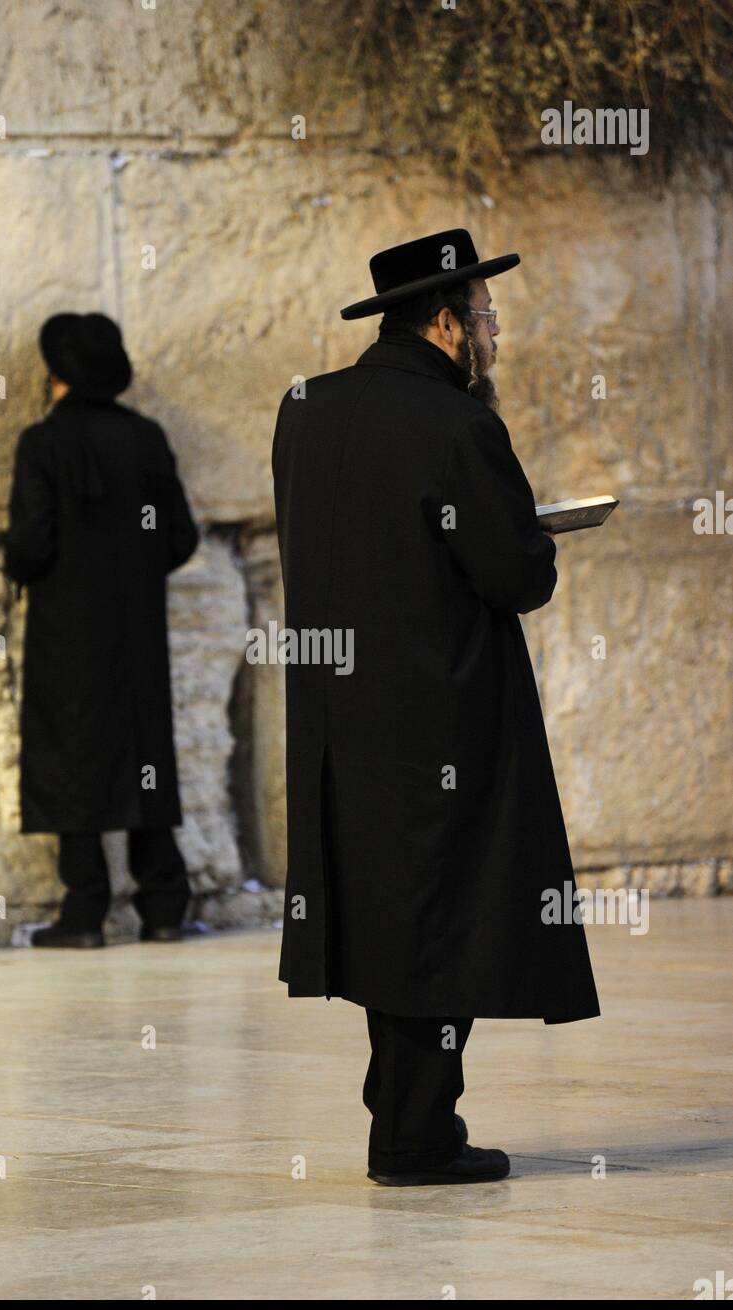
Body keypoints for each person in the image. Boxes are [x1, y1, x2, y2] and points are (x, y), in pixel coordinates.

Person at [271, 229, 600, 1185]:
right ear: (449, 322)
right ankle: (415, 1137)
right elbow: (511, 574)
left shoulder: (304, 408)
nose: (495, 336)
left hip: (338, 716)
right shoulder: (460, 426)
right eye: (487, 318)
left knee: (385, 911)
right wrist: (536, 539)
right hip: (441, 713)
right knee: (443, 913)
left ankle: (408, 1123)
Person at [4, 312, 198, 948]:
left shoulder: (42, 443)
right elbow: (180, 535)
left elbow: (31, 545)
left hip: (68, 628)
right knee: (144, 747)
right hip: (136, 625)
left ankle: (84, 913)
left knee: (72, 752)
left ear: (55, 373)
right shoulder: (145, 438)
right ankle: (164, 906)